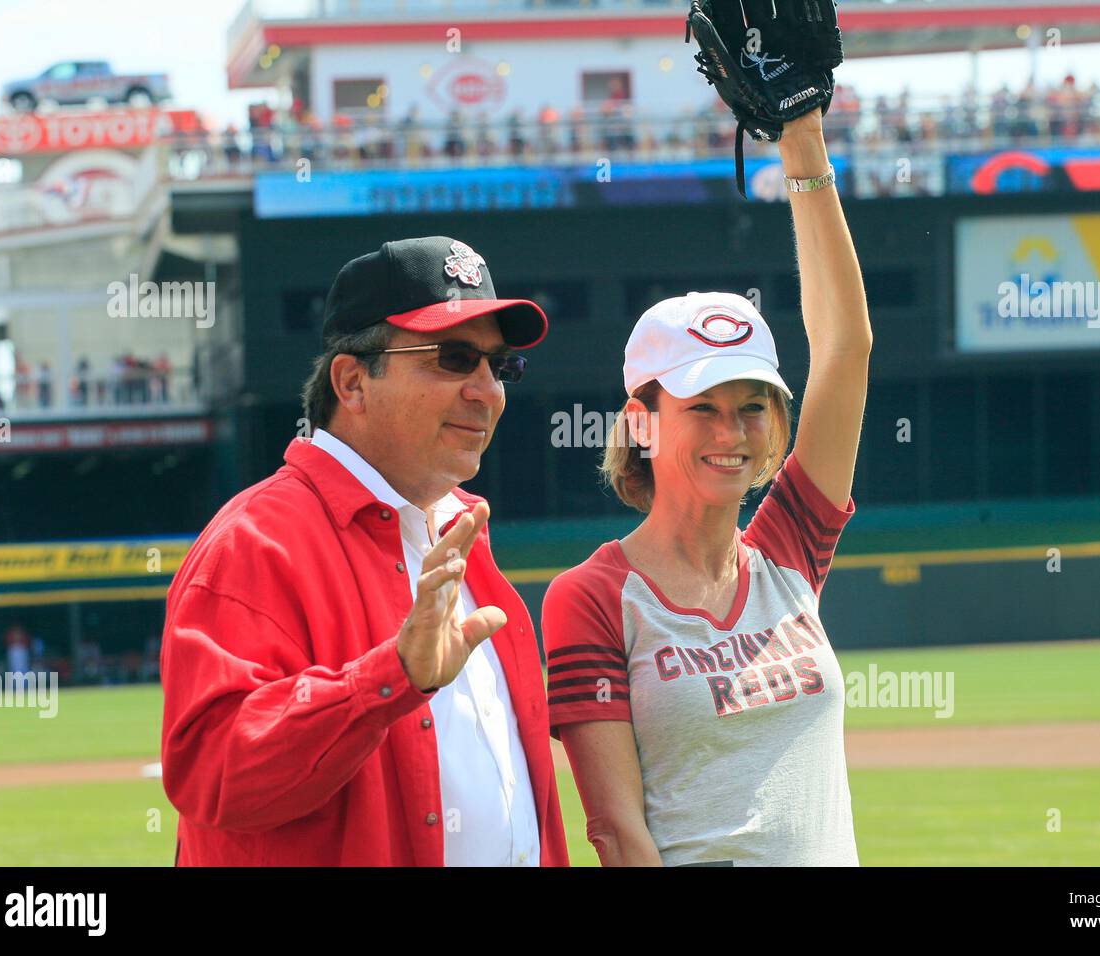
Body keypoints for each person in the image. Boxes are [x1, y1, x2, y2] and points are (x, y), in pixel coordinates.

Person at [160, 235, 569, 866]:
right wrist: (388, 679)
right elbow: (214, 774)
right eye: (455, 358)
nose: (489, 391)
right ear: (352, 382)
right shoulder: (254, 540)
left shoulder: (460, 528)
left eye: (501, 365)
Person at [542, 107, 871, 866]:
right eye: (703, 409)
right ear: (644, 421)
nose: (732, 433)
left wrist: (802, 141)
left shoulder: (788, 549)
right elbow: (616, 833)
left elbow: (847, 346)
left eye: (752, 407)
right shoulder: (591, 597)